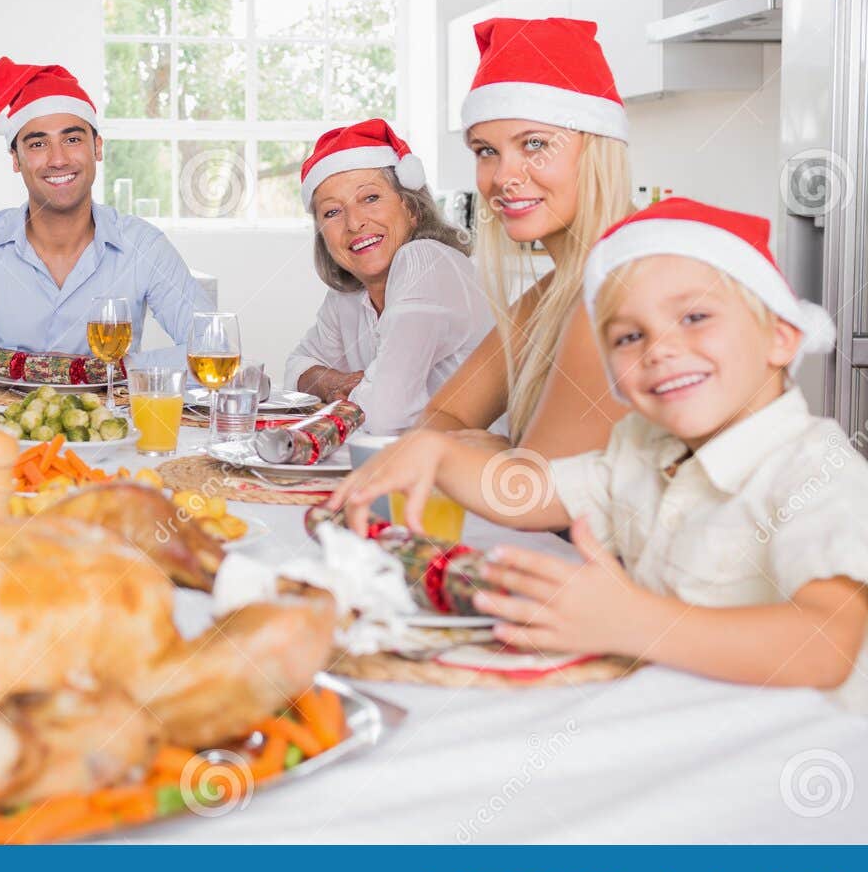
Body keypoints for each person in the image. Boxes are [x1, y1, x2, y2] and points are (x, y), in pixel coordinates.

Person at [343, 199, 868, 710]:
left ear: (780, 337)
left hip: (786, 751)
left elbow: (826, 645)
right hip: (680, 719)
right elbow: (529, 497)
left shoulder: (814, 468)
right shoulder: (642, 447)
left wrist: (636, 622)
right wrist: (434, 451)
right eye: (630, 336)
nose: (658, 349)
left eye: (695, 316)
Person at [325, 17, 635, 515]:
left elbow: (532, 497)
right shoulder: (550, 294)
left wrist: (497, 458)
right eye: (487, 151)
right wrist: (500, 459)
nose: (504, 176)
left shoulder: (624, 281)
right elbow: (441, 415)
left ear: (596, 146)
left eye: (534, 143)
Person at [0, 57, 210, 375]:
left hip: (108, 432)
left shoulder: (143, 246)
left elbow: (215, 347)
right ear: (16, 159)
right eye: (37, 144)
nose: (58, 159)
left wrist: (107, 371)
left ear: (98, 148)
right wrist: (4, 364)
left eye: (73, 139)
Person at [284, 119, 492, 434]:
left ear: (411, 208)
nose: (354, 223)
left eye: (370, 198)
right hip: (407, 468)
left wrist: (348, 392)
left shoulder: (425, 260)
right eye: (332, 212)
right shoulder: (347, 296)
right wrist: (333, 382)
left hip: (477, 471)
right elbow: (296, 367)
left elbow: (384, 415)